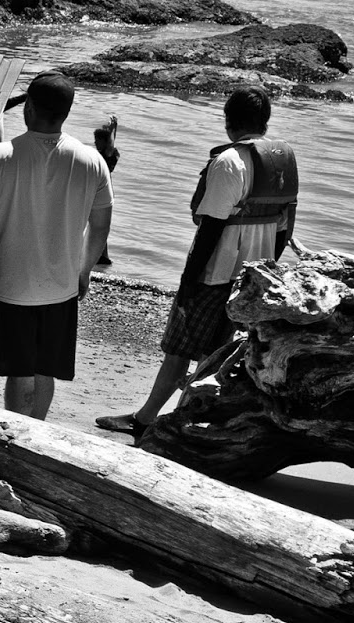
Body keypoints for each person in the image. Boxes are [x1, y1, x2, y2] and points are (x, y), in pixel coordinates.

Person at [96, 87, 296, 437]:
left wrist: (189, 281)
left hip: (214, 275)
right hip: (252, 279)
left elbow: (211, 229)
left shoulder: (229, 162)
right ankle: (188, 422)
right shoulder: (282, 162)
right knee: (218, 356)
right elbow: (284, 229)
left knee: (179, 351)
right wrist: (264, 275)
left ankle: (147, 420)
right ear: (265, 122)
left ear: (228, 120)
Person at [0, 71, 113, 420]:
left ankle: (17, 434)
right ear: (67, 112)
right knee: (44, 369)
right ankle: (35, 427)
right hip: (60, 288)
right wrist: (84, 270)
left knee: (20, 370)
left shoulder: (2, 156)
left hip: (10, 287)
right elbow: (100, 225)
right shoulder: (92, 161)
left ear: (28, 108)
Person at [93, 114, 120, 265]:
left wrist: (113, 128)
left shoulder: (108, 154)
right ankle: (100, 255)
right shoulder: (104, 154)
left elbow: (111, 142)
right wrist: (113, 128)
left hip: (101, 190)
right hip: (99, 189)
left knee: (97, 224)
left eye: (97, 141)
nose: (95, 143)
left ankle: (101, 256)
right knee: (97, 224)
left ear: (104, 142)